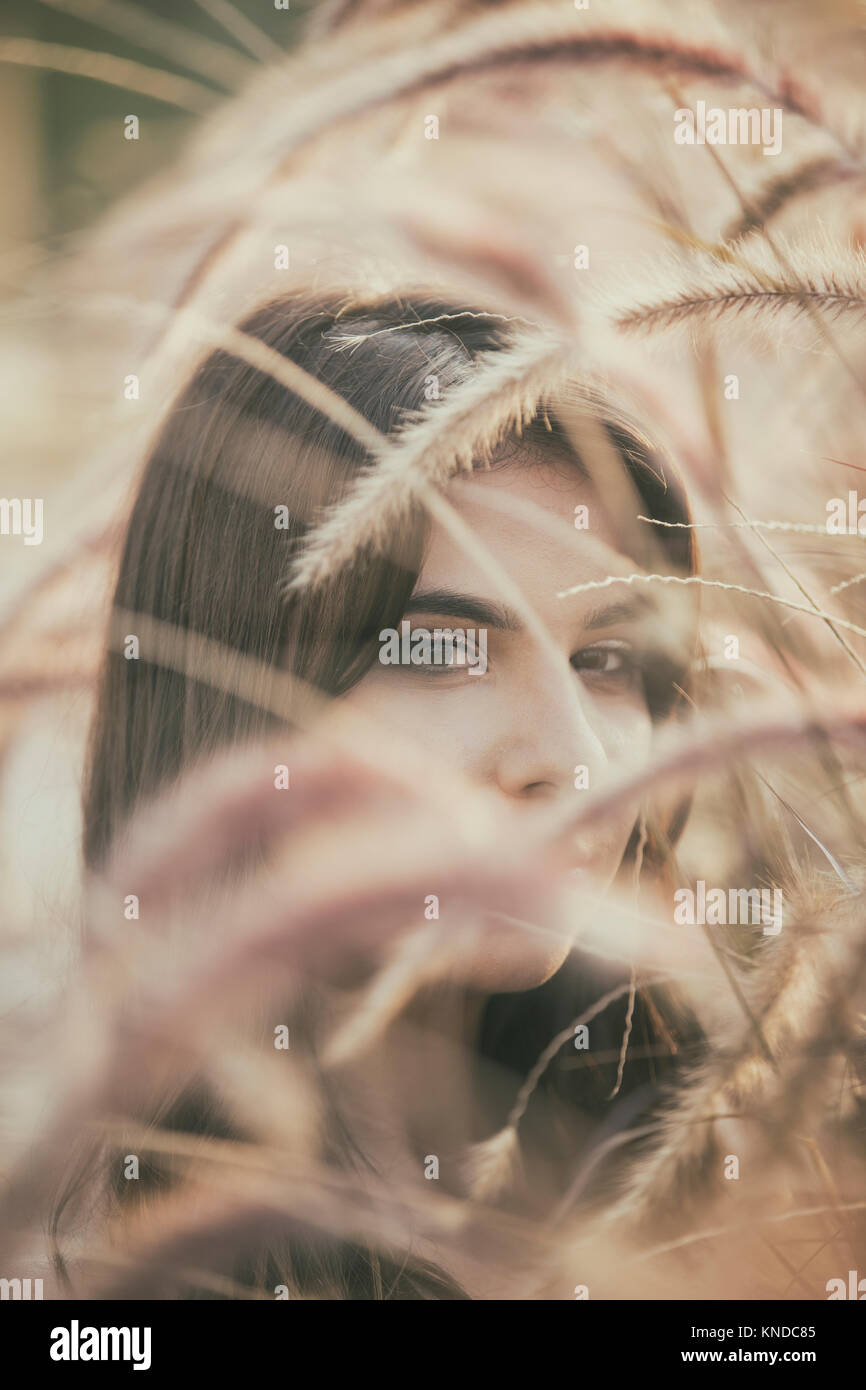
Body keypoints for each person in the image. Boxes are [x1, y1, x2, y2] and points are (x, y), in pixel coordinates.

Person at [54, 289, 705, 1299]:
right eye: (439, 647)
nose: (571, 760)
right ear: (229, 692)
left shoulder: (731, 1185)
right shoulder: (94, 1278)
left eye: (606, 657)